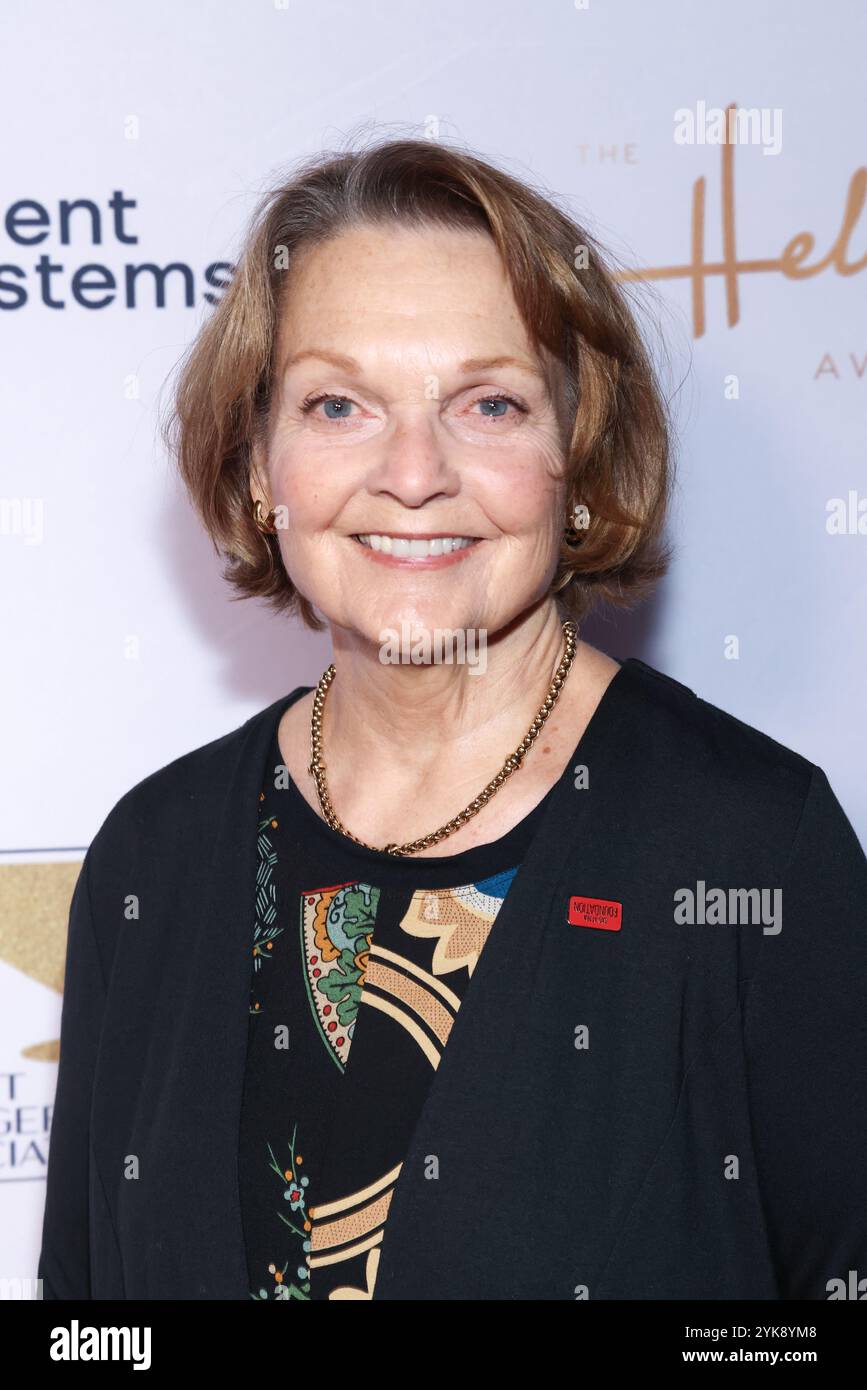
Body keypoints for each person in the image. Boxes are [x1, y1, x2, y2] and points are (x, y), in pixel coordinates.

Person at [38, 137, 867, 1301]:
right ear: (260, 459)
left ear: (575, 456)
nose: (414, 472)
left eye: (489, 403)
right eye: (339, 403)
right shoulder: (156, 857)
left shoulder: (751, 847)